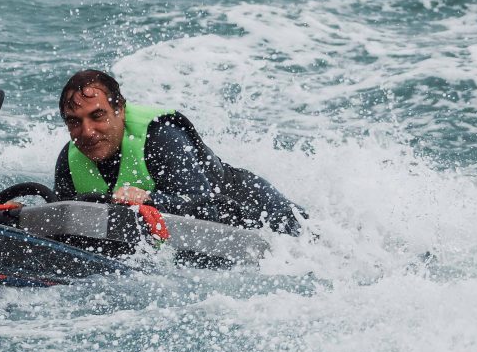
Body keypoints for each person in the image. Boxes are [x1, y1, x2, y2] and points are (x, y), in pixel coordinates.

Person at [51, 69, 300, 233]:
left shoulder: (161, 140)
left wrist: (149, 200)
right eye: (75, 121)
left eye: (98, 116)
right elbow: (62, 219)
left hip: (259, 209)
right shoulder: (69, 160)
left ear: (121, 110)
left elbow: (209, 213)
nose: (88, 131)